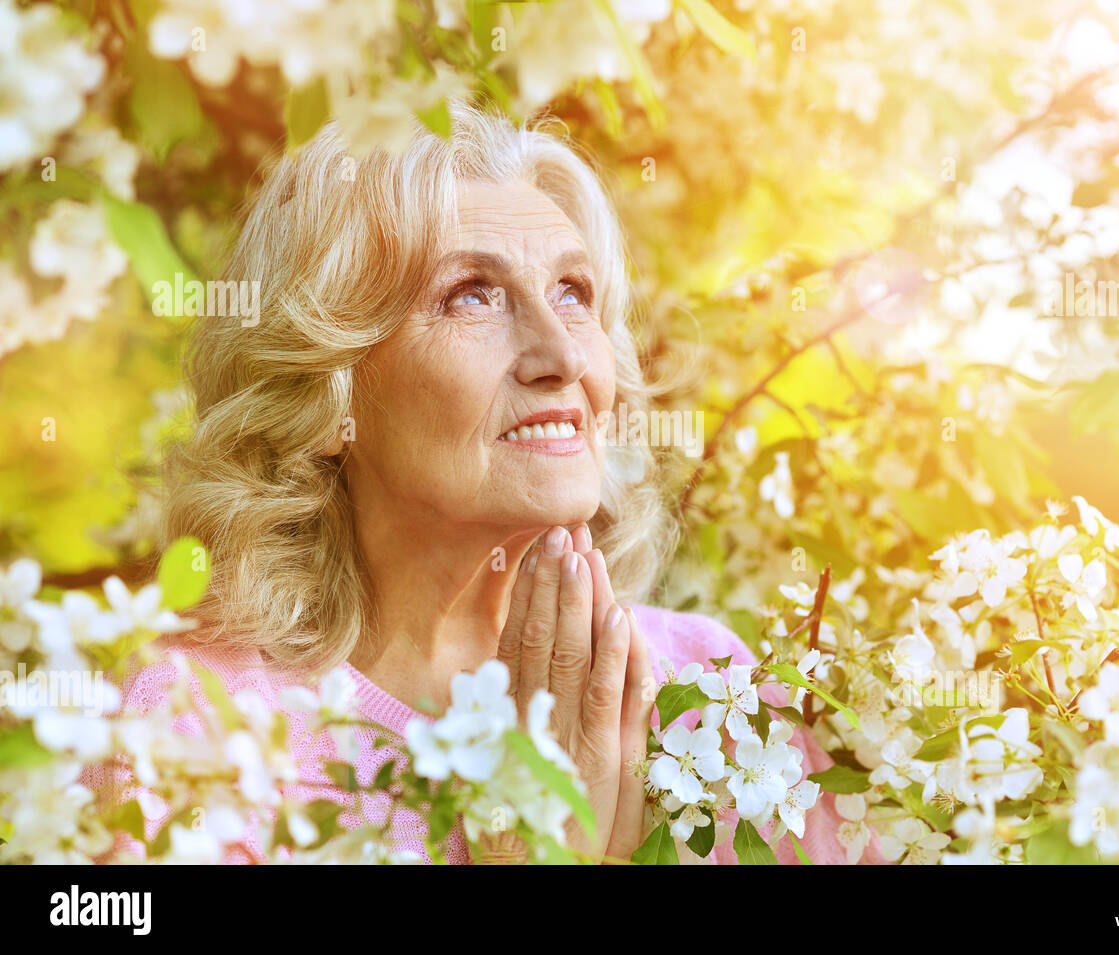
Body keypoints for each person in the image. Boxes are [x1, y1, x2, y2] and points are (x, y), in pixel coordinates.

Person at [85, 99, 884, 865]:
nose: (563, 355)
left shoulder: (712, 685)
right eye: (471, 294)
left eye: (573, 293)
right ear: (324, 392)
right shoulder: (195, 722)